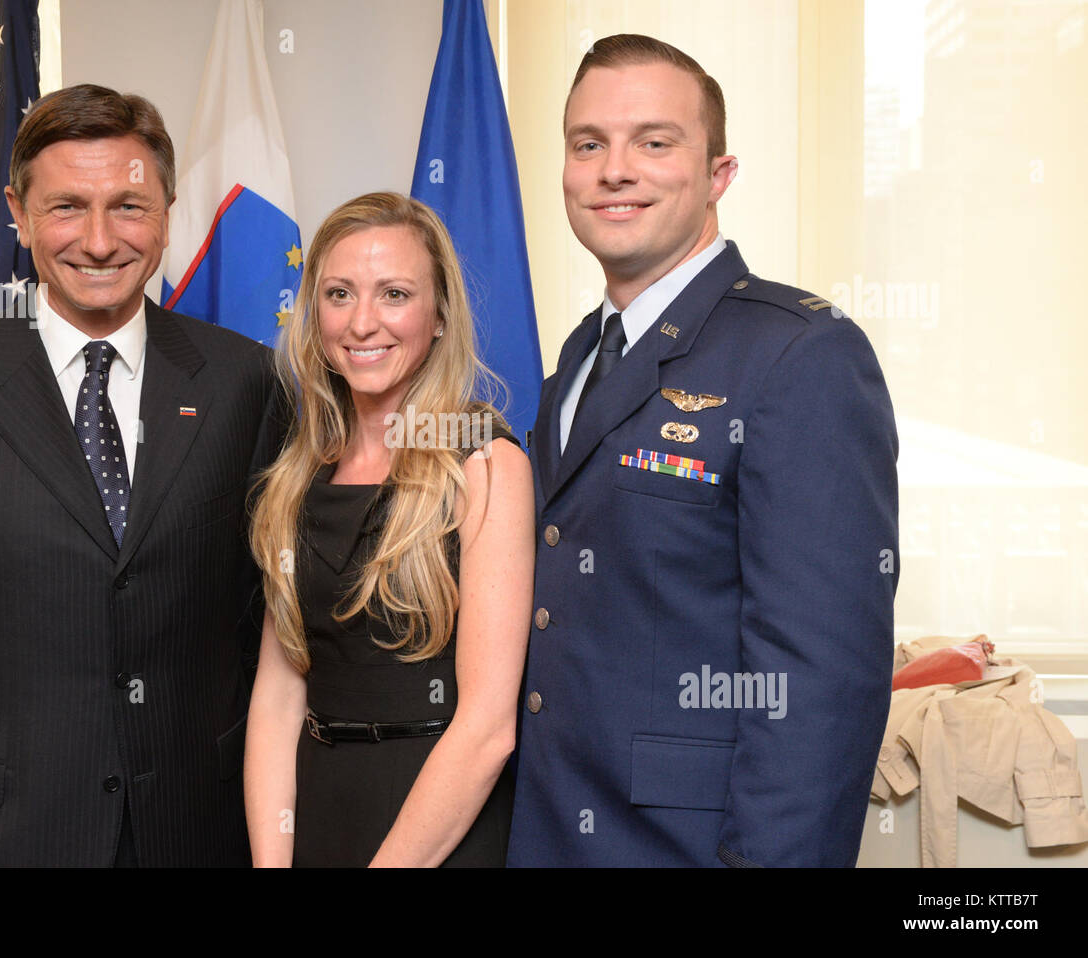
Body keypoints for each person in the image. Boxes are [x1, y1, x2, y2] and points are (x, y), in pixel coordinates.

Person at [0, 84, 285, 866]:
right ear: (16, 214)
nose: (99, 239)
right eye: (66, 207)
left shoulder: (244, 382)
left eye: (128, 206)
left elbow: (256, 619)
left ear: (168, 212)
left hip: (190, 829)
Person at [507, 35, 899, 867]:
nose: (615, 169)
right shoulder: (578, 357)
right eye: (588, 144)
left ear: (718, 174)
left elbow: (819, 686)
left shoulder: (801, 354)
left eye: (654, 142)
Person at [243, 192, 534, 867]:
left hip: (436, 826)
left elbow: (488, 729)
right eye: (339, 293)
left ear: (437, 318)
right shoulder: (300, 471)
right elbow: (280, 697)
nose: (363, 322)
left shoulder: (486, 463)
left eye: (395, 294)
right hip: (315, 811)